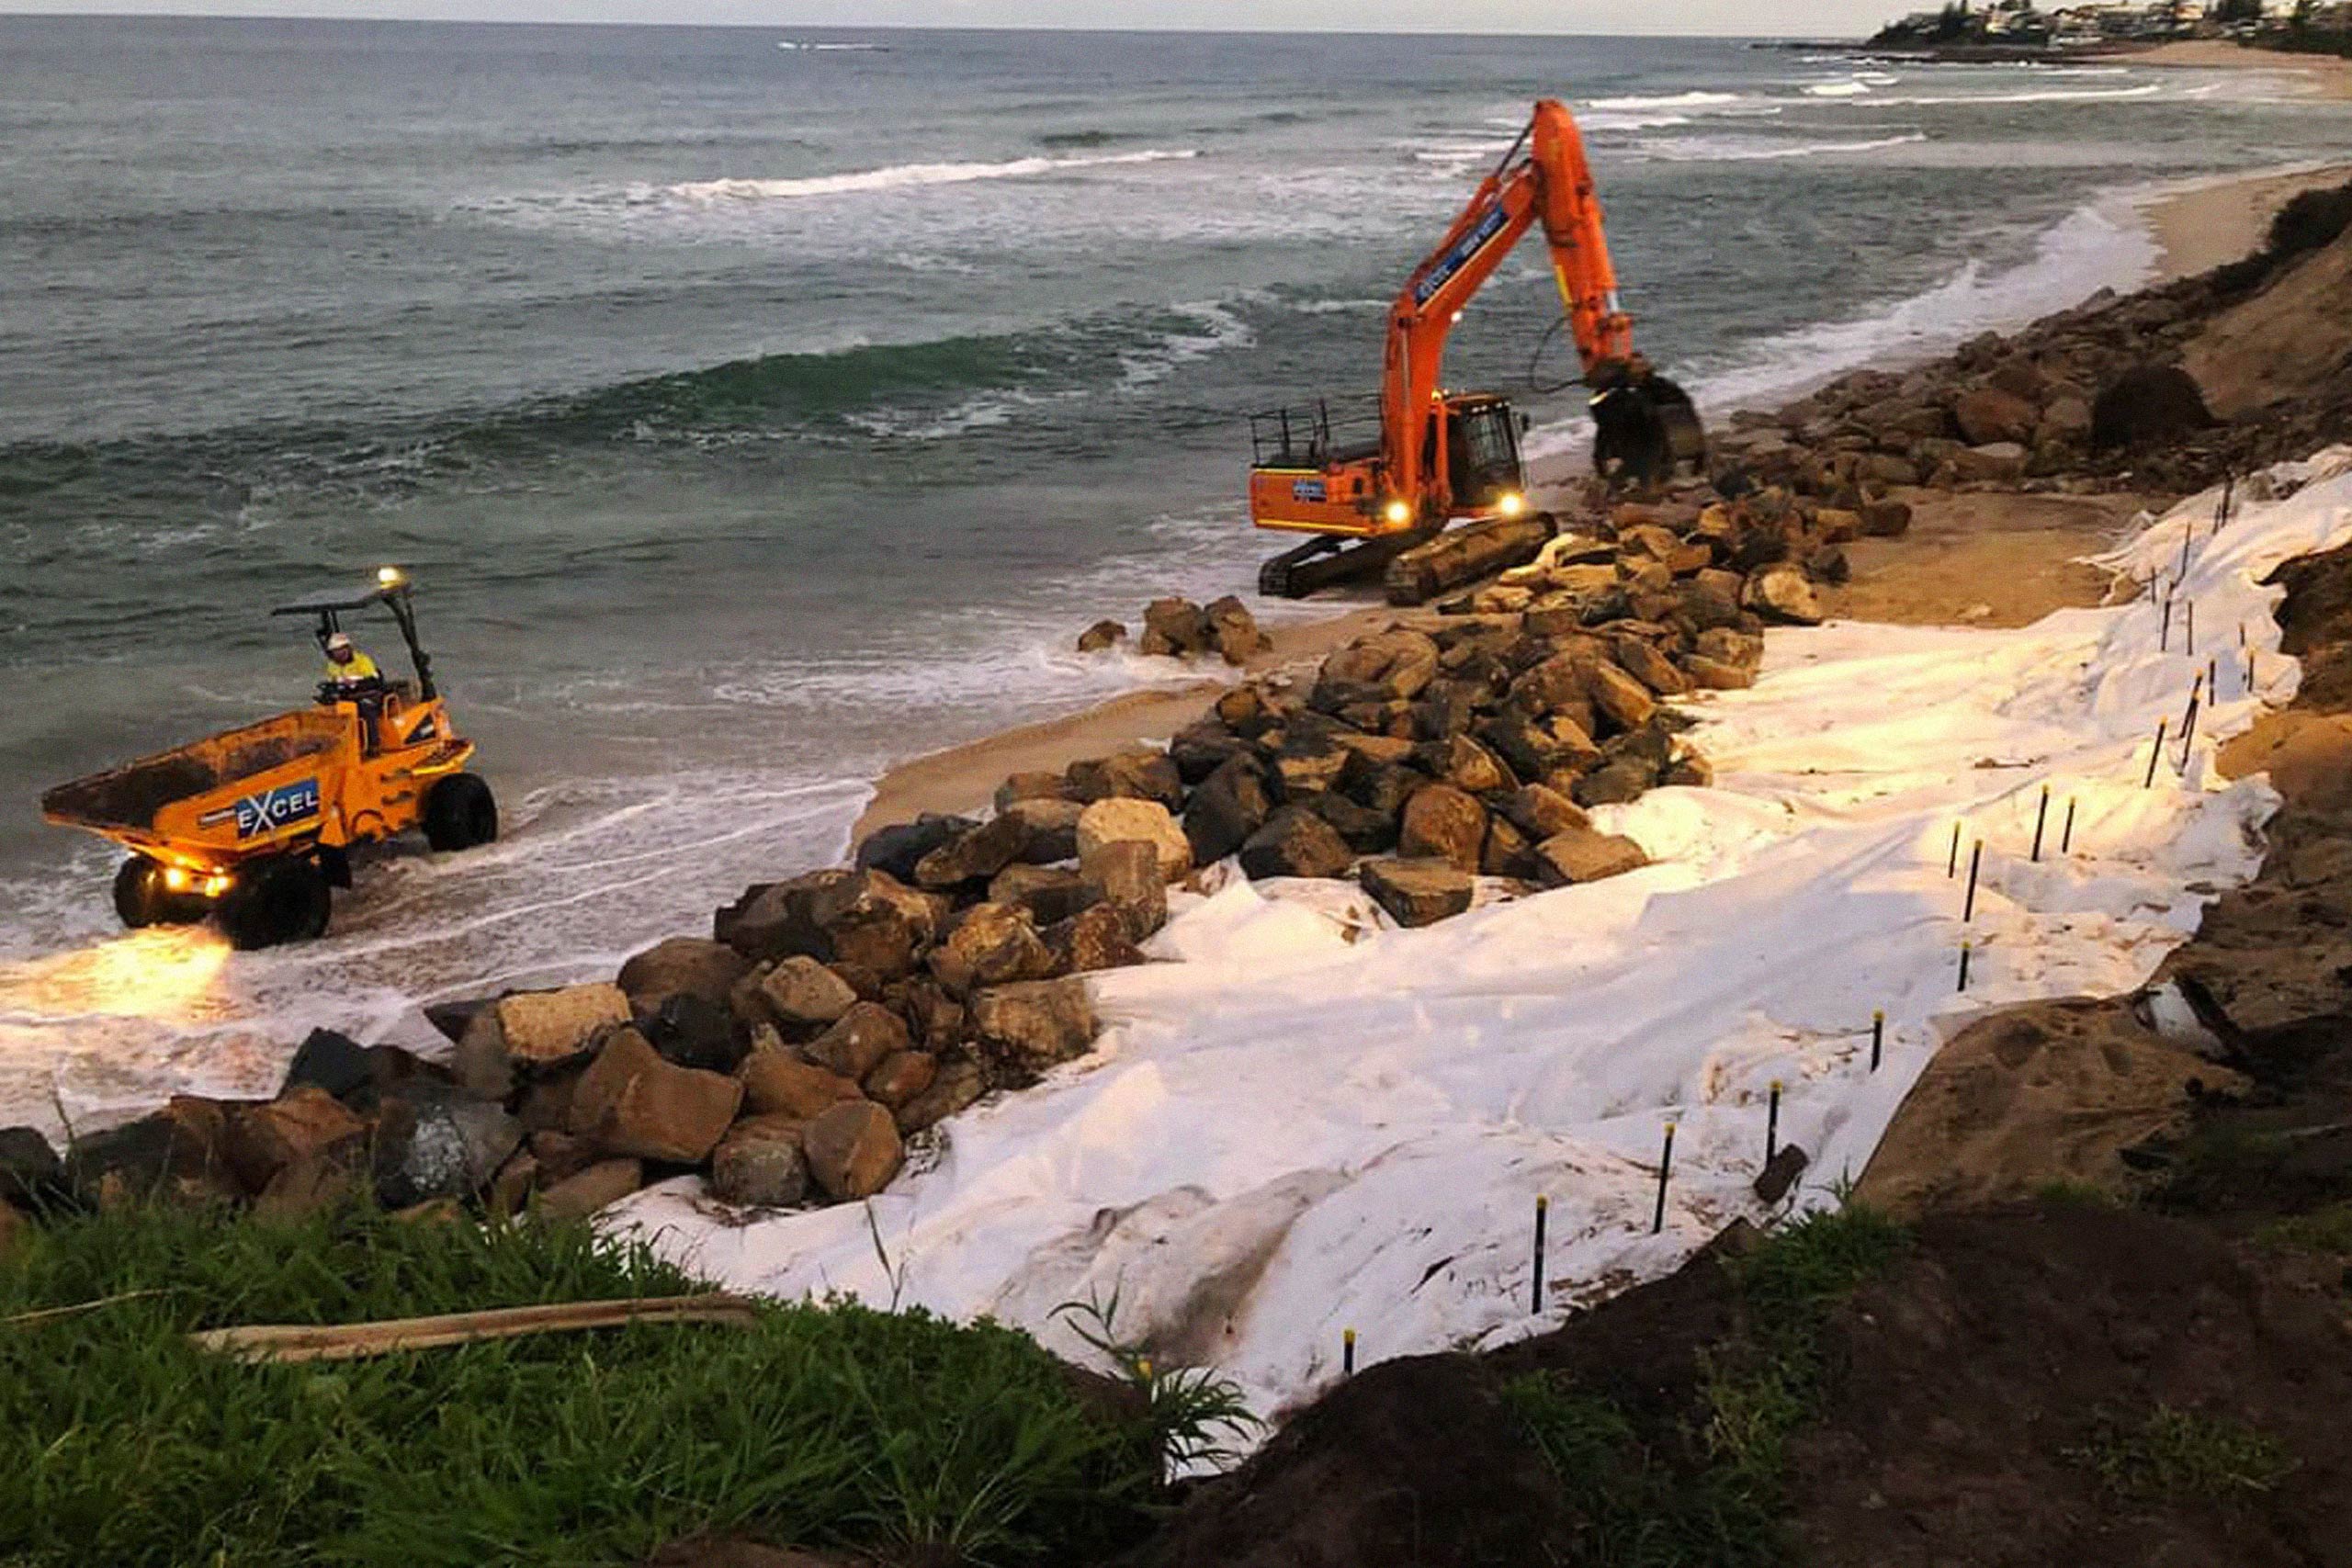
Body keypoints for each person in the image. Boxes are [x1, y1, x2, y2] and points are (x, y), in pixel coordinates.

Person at [322, 632, 387, 750]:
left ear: (348, 648)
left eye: (342, 649)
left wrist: (356, 684)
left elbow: (375, 682)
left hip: (368, 694)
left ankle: (374, 745)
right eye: (336, 651)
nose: (340, 653)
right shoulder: (332, 665)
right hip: (348, 696)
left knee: (366, 708)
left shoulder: (362, 661)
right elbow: (333, 681)